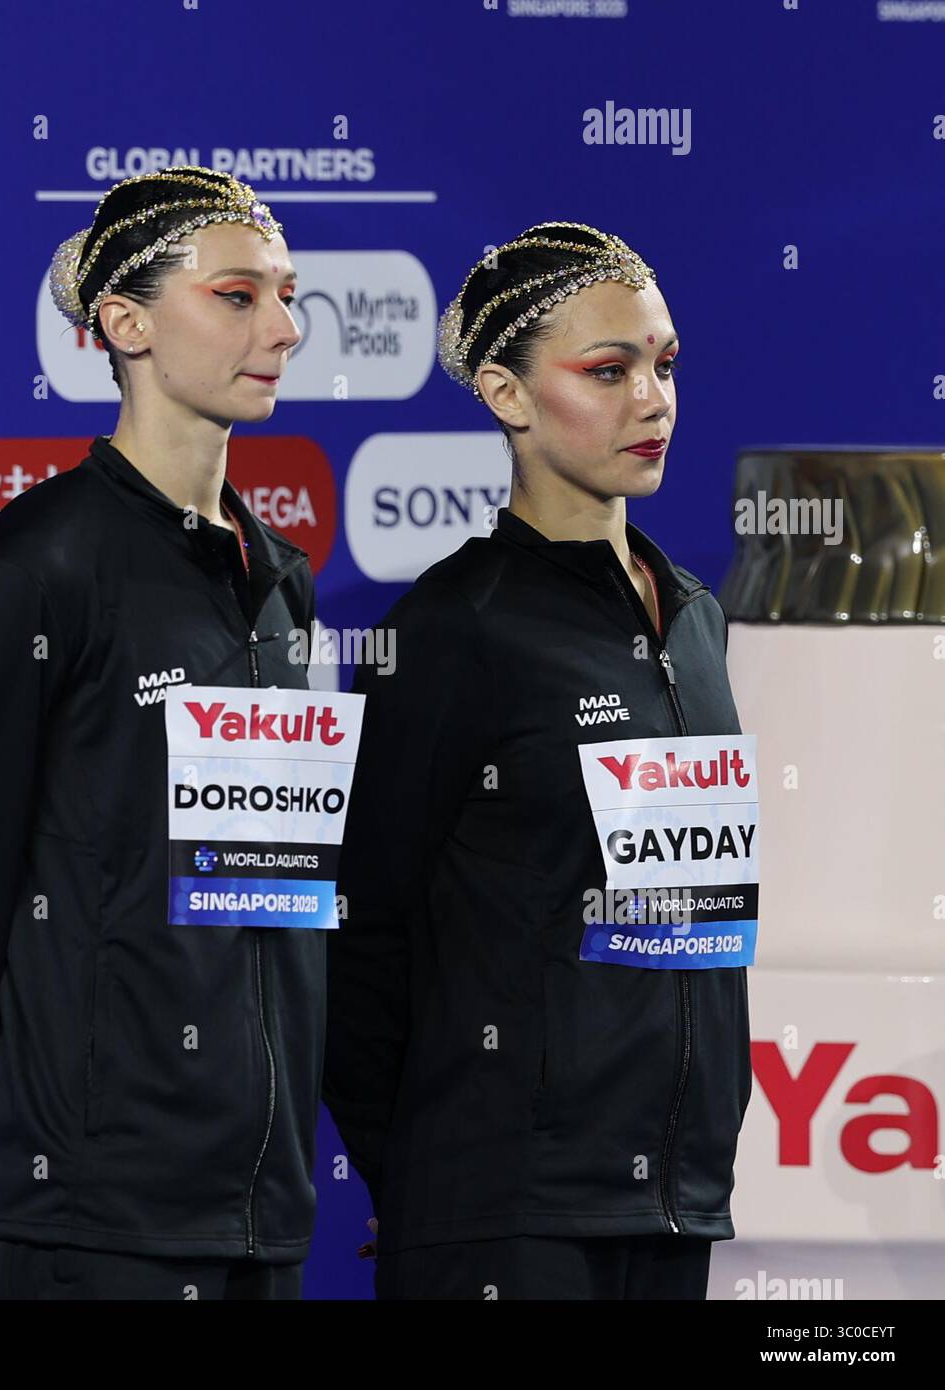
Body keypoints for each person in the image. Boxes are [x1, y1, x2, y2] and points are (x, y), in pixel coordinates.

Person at [0, 166, 321, 1300]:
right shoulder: (36, 568)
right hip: (77, 1216)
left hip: (252, 1216)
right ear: (123, 323)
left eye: (286, 293)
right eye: (236, 295)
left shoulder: (279, 583)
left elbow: (273, 895)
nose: (281, 325)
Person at [322, 222, 755, 1300]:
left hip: (674, 1203)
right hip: (504, 1211)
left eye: (663, 364)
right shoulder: (451, 630)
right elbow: (352, 930)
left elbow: (699, 909)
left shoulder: (695, 619)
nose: (651, 400)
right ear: (506, 395)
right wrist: (421, 1172)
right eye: (606, 371)